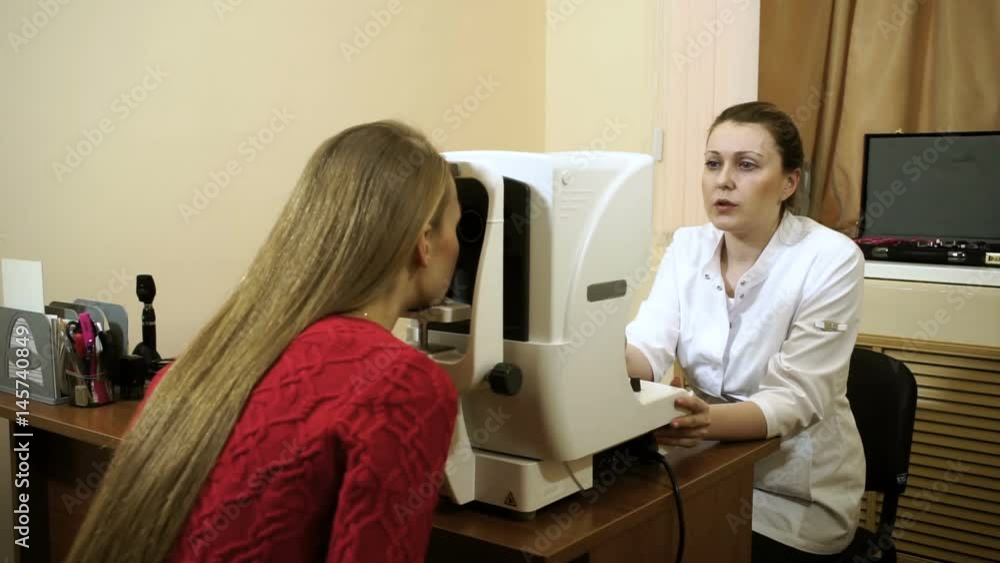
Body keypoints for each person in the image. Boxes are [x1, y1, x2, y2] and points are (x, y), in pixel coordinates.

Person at [66, 121, 463, 563]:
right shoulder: (404, 385)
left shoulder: (206, 360)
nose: (458, 245)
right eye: (457, 228)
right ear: (424, 242)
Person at [625, 101, 866, 562]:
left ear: (789, 182)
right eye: (713, 163)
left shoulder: (831, 258)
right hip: (701, 468)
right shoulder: (688, 246)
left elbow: (795, 398)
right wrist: (587, 355)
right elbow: (647, 347)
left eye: (746, 165)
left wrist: (698, 421)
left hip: (793, 499)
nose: (724, 180)